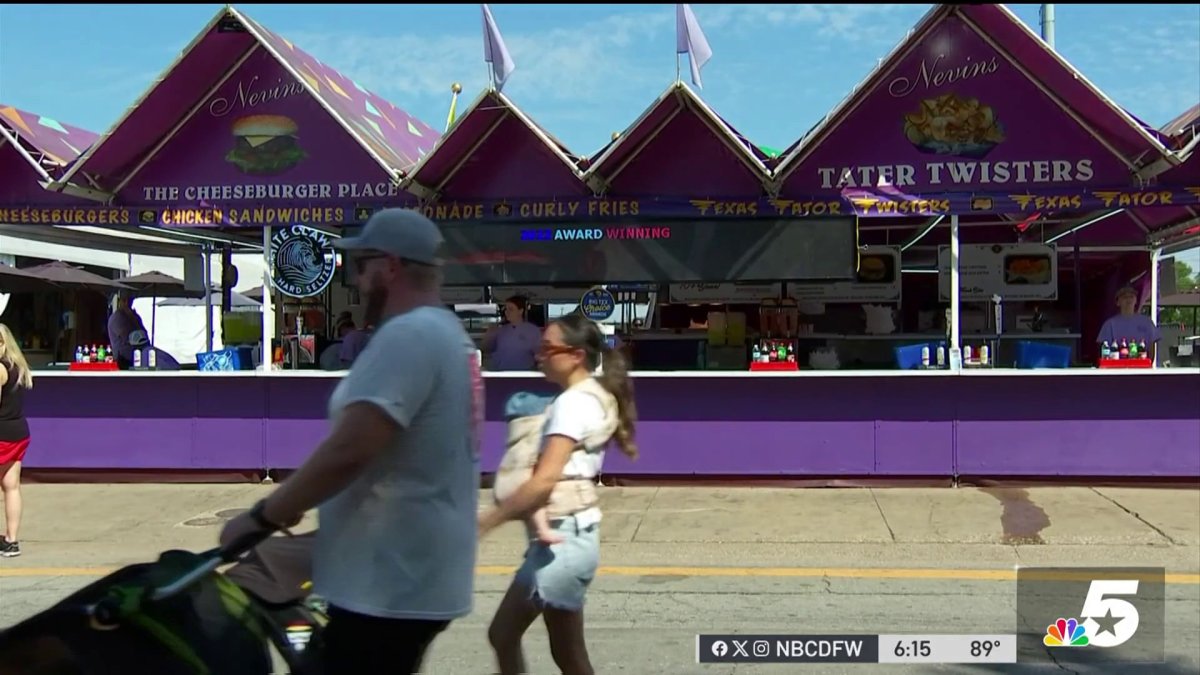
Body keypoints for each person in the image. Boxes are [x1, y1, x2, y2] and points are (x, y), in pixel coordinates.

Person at [219, 209, 483, 674]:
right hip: (408, 566)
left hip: (386, 585)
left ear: (390, 266)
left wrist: (264, 516)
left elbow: (351, 448)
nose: (357, 281)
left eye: (360, 266)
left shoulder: (409, 335)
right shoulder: (447, 334)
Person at [478, 313, 639, 675]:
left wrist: (486, 523)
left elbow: (543, 480)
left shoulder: (573, 403)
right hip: (564, 538)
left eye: (548, 348)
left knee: (528, 642)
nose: (539, 355)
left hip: (563, 542)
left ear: (576, 355)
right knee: (549, 649)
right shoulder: (590, 395)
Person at [0, 323, 33, 558]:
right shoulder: (18, 366)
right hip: (18, 431)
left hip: (2, 433)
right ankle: (11, 541)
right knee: (11, 487)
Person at [1097, 285, 1162, 361]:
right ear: (1118, 302)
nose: (1128, 299)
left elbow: (1151, 349)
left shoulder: (1147, 322)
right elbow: (1103, 352)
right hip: (1116, 369)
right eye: (1124, 297)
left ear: (1136, 300)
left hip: (1141, 368)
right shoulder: (1109, 324)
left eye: (1131, 296)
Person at [482, 296, 541, 370]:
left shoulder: (532, 330)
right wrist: (489, 335)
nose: (507, 312)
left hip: (524, 375)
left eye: (511, 309)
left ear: (520, 311)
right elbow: (487, 349)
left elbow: (539, 354)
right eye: (506, 309)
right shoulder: (499, 330)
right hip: (501, 374)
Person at [106, 292, 147, 370]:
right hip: (124, 360)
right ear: (120, 301)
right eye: (125, 300)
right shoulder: (118, 317)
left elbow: (144, 334)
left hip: (138, 357)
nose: (128, 303)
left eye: (130, 300)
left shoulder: (134, 316)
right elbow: (131, 337)